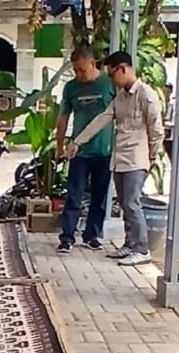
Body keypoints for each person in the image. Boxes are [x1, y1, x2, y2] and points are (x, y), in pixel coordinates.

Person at [64, 51, 163, 267]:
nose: (110, 79)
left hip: (137, 160)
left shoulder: (146, 95)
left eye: (112, 74)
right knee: (126, 204)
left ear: (123, 69)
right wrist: (77, 142)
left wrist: (152, 157)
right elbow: (102, 120)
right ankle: (129, 244)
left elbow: (157, 131)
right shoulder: (120, 97)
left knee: (132, 203)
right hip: (120, 159)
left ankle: (141, 249)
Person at [55, 45, 116, 254]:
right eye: (75, 71)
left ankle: (93, 235)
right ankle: (67, 237)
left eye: (82, 70)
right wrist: (60, 145)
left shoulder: (109, 84)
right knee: (74, 194)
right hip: (78, 151)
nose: (78, 75)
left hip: (104, 150)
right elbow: (63, 117)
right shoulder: (71, 88)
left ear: (93, 63)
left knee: (99, 196)